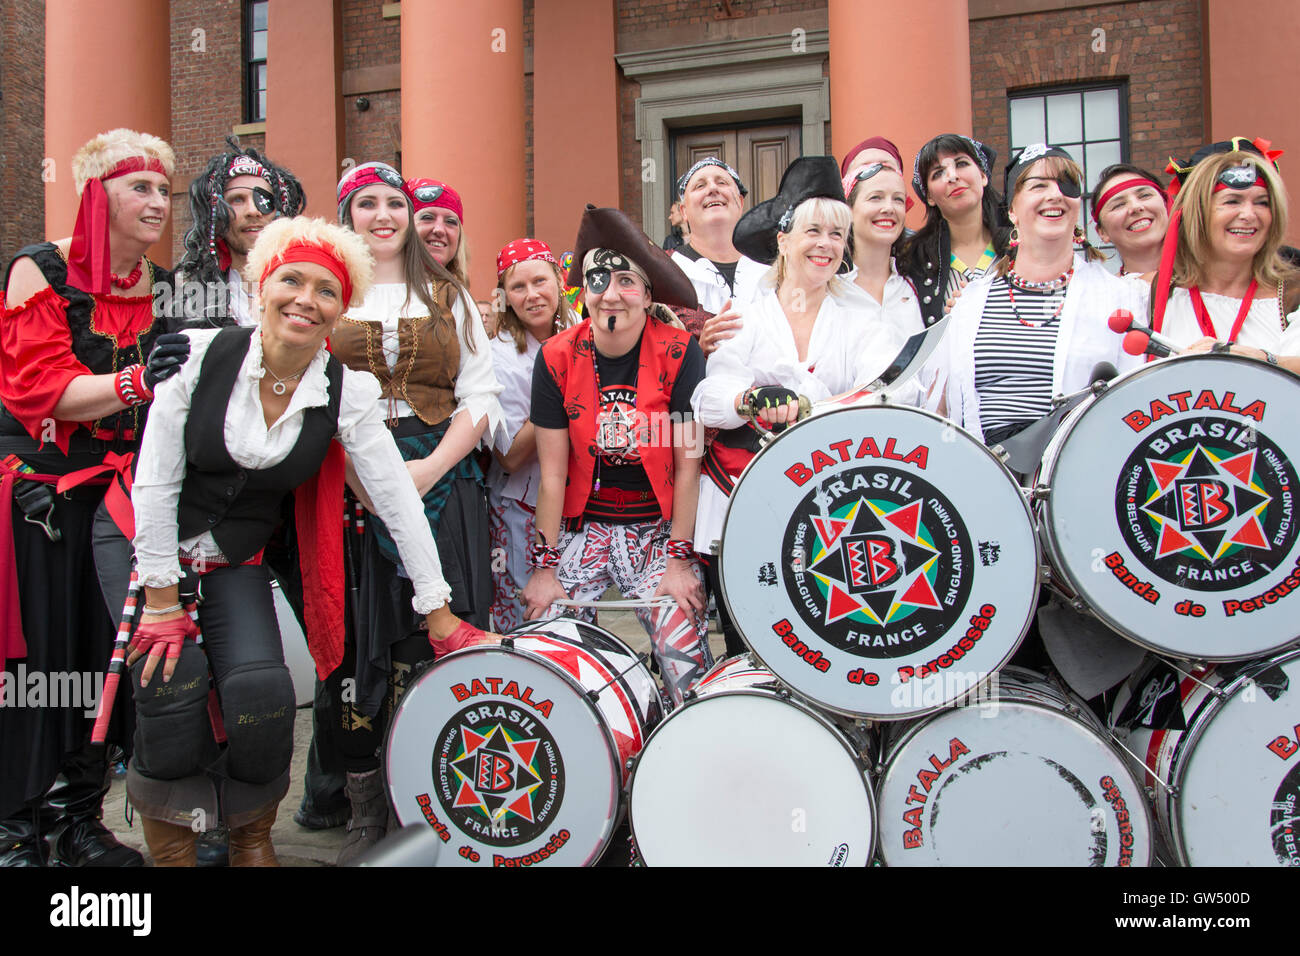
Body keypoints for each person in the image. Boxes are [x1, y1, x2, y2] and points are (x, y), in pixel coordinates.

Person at [118, 216, 499, 867]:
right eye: (291, 280)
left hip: (234, 561)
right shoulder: (200, 354)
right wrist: (159, 599)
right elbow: (154, 483)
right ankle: (175, 848)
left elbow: (395, 502)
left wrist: (439, 613)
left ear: (341, 307)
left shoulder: (346, 390)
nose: (306, 299)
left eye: (326, 290)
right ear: (263, 284)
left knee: (262, 696)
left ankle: (249, 837)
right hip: (150, 550)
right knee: (171, 691)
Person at [0, 128, 187, 867]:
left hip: (122, 501)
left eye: (163, 190)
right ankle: (16, 826)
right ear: (95, 193)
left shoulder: (168, 287)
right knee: (35, 666)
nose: (156, 202)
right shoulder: (39, 270)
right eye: (138, 186)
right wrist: (135, 382)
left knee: (102, 656)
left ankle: (79, 818)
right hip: (42, 497)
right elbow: (36, 389)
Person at [326, 162, 504, 863]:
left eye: (392, 202)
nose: (382, 215)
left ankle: (447, 796)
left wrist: (428, 470)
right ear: (347, 216)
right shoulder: (329, 289)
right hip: (348, 482)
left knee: (447, 634)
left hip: (443, 470)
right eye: (365, 203)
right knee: (357, 649)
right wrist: (371, 486)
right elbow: (309, 396)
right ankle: (365, 806)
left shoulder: (449, 295)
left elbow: (481, 395)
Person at [694, 157, 908, 656]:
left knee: (822, 641)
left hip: (840, 510)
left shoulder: (863, 316)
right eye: (814, 231)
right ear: (783, 241)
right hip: (743, 501)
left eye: (837, 234)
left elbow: (892, 391)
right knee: (751, 644)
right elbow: (708, 402)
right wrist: (748, 399)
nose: (826, 245)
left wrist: (815, 407)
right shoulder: (745, 316)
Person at [522, 205, 711, 704]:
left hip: (658, 531)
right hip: (585, 528)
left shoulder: (681, 353)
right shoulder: (557, 357)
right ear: (583, 294)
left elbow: (689, 466)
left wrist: (679, 560)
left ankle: (687, 749)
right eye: (598, 280)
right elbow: (551, 476)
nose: (611, 293)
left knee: (682, 649)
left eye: (626, 280)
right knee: (548, 640)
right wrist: (544, 567)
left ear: (648, 296)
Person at [933, 144, 1142, 445]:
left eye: (1066, 185)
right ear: (1013, 211)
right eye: (1038, 186)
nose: (1055, 194)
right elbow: (941, 407)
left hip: (1075, 473)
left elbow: (1134, 400)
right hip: (986, 475)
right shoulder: (969, 302)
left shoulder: (1121, 298)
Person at [487, 238, 577, 631]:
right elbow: (507, 456)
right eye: (518, 287)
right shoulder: (497, 355)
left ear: (559, 280)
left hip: (579, 502)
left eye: (540, 281)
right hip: (520, 507)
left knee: (575, 613)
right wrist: (561, 393)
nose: (532, 295)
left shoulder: (583, 331)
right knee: (530, 616)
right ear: (504, 297)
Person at [1147, 140, 1300, 370]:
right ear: (1198, 212)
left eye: (1262, 202)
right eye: (1232, 201)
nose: (1249, 214)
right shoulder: (1159, 292)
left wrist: (1263, 360)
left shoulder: (1292, 292)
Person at [172, 138, 306, 327]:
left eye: (263, 199)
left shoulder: (307, 283)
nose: (253, 210)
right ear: (215, 215)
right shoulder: (186, 291)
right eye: (237, 200)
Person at [900, 134, 1010, 327]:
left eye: (961, 164)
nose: (952, 176)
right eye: (938, 173)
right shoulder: (913, 259)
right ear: (929, 197)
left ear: (983, 176)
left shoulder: (1021, 244)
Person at [670, 157, 766, 352]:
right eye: (699, 186)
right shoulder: (665, 272)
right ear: (684, 211)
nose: (713, 189)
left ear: (740, 203)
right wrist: (698, 353)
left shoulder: (774, 269)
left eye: (722, 182)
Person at [844, 161, 924, 338]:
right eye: (876, 197)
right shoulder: (829, 287)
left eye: (898, 199)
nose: (889, 208)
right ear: (848, 210)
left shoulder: (920, 285)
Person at [1089, 163, 1168, 277]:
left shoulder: (1202, 279)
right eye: (1118, 205)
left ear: (1166, 205)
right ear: (1102, 232)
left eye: (1145, 195)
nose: (1135, 207)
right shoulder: (1102, 293)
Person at [405, 176, 470, 291]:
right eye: (428, 217)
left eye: (450, 221)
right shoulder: (376, 293)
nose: (439, 229)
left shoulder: (461, 298)